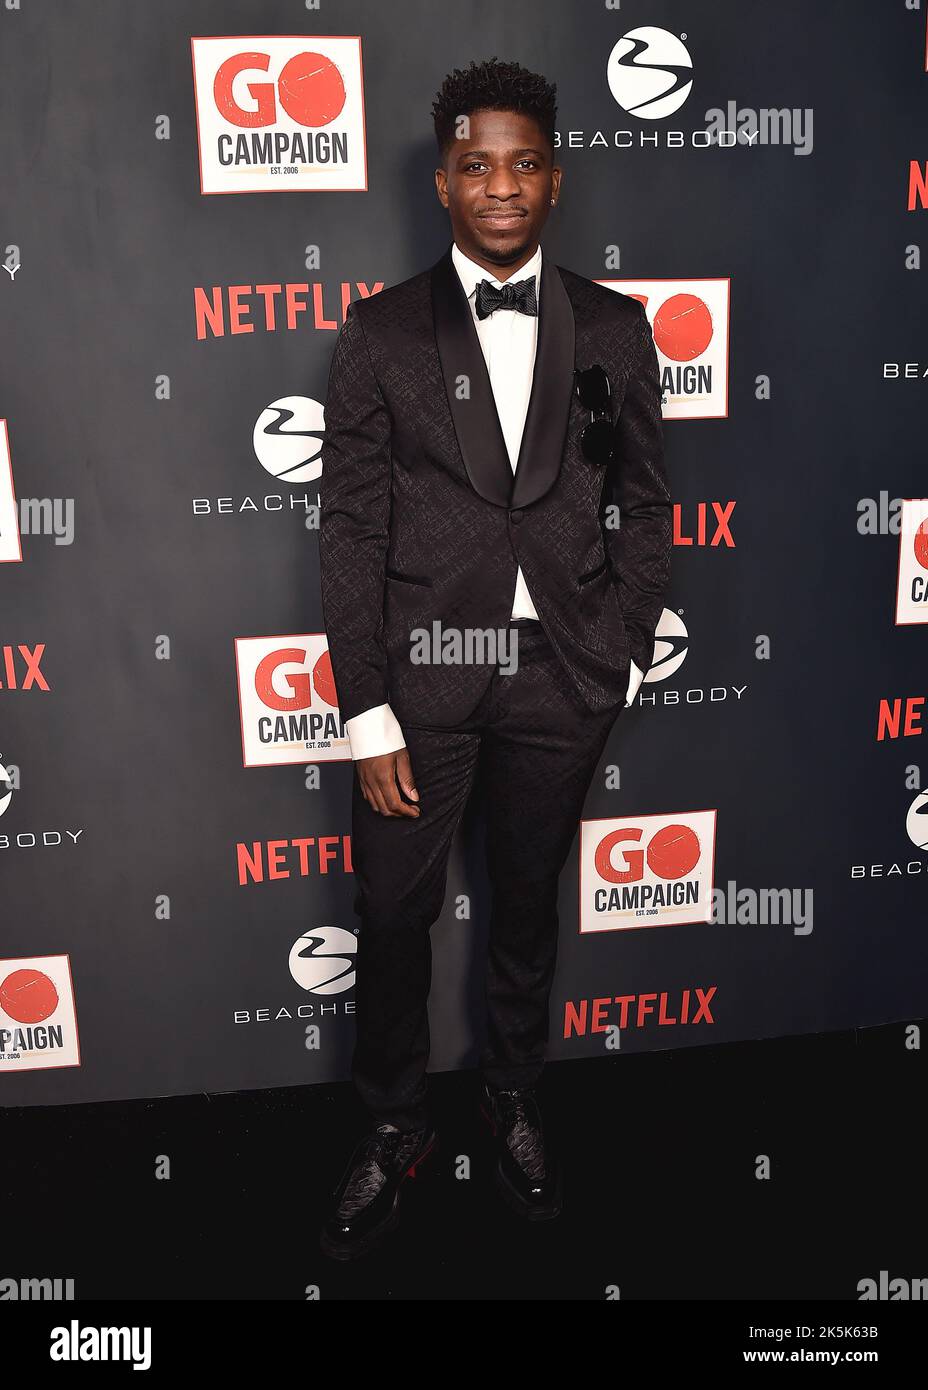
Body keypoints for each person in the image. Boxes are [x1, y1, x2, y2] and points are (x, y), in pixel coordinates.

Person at [317, 57, 671, 1260]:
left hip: (563, 674)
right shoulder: (376, 333)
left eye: (524, 164)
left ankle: (514, 1096)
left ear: (555, 179)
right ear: (444, 183)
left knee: (527, 908)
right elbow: (354, 527)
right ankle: (391, 1123)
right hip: (420, 680)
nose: (502, 186)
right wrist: (364, 709)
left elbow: (642, 502)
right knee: (394, 910)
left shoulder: (617, 329)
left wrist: (622, 648)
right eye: (478, 165)